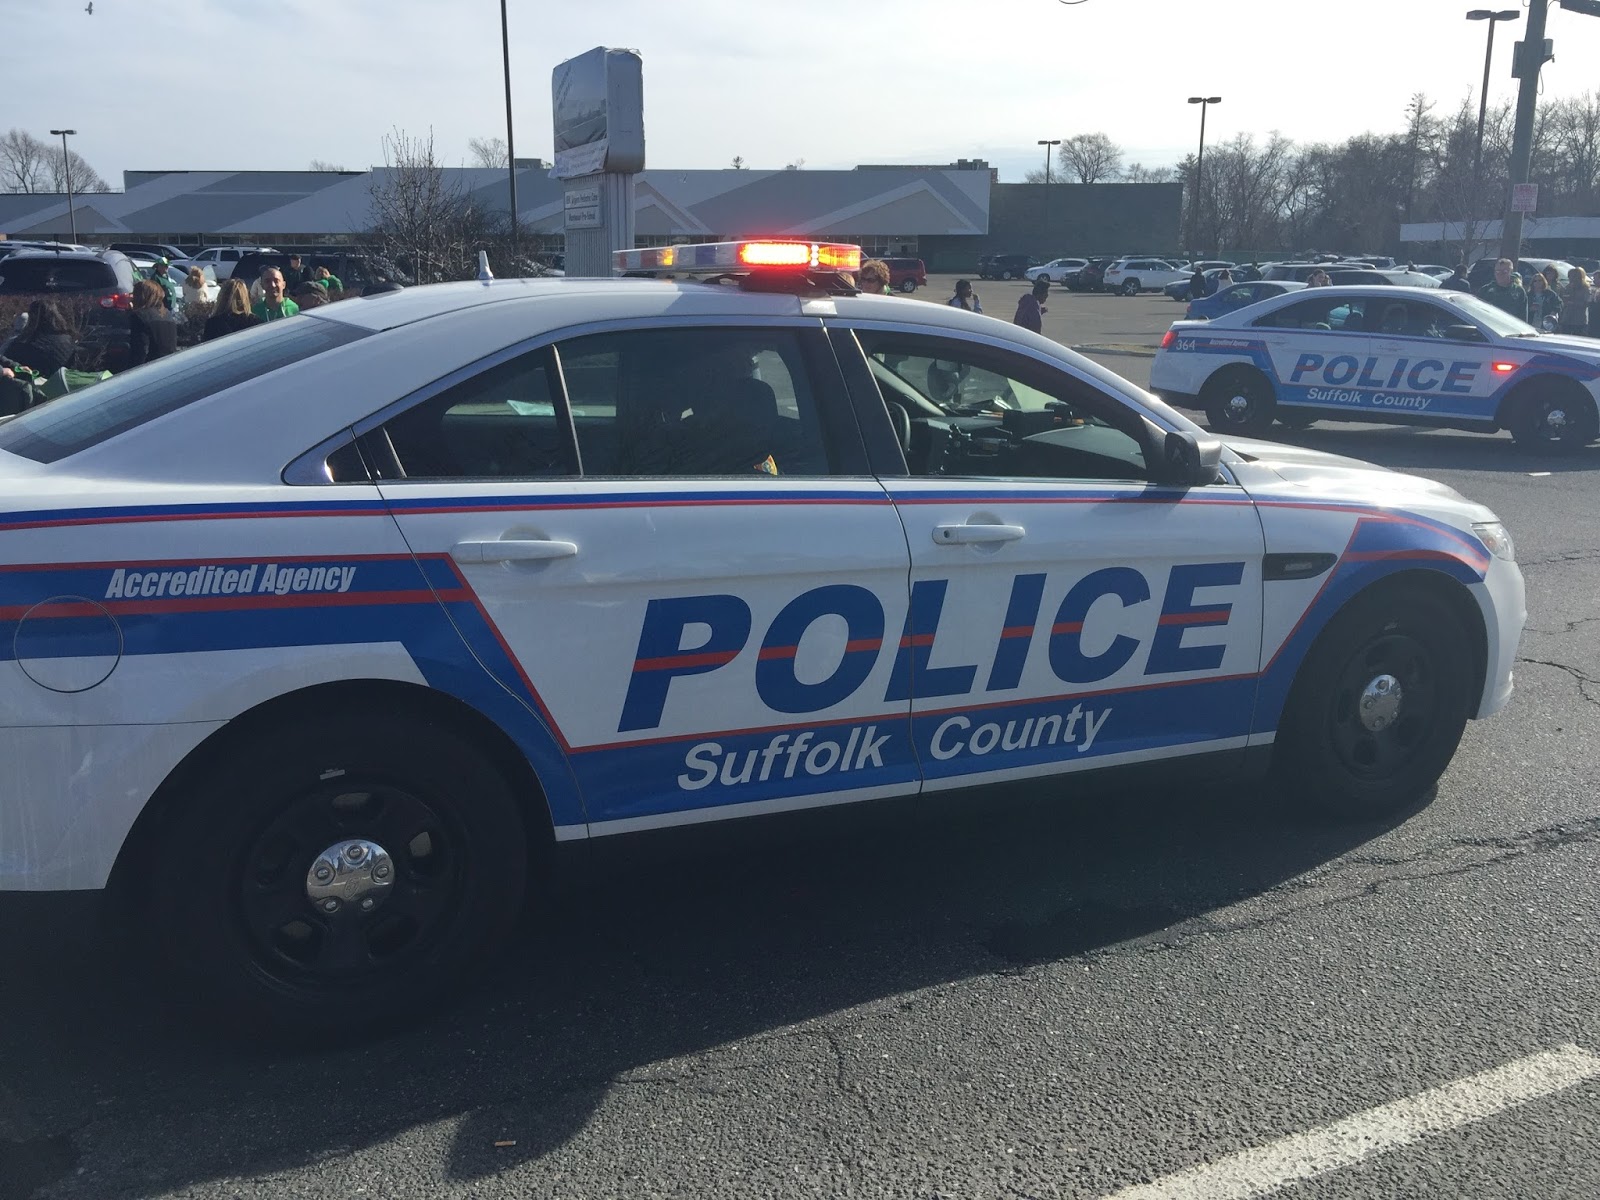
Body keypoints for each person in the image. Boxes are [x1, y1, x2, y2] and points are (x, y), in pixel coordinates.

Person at [4, 299, 76, 377]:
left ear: (31, 318)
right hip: (61, 383)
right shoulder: (68, 340)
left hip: (31, 385)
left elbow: (7, 363)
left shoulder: (24, 344)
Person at [127, 278, 177, 366]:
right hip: (168, 365)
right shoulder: (168, 315)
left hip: (148, 367)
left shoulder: (139, 316)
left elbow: (140, 351)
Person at [1558, 267, 1592, 336]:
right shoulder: (1567, 287)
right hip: (1566, 319)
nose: (1571, 278)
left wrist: (1573, 303)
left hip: (1579, 321)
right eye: (1570, 276)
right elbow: (1562, 299)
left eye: (1574, 276)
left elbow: (1587, 303)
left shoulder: (1586, 288)